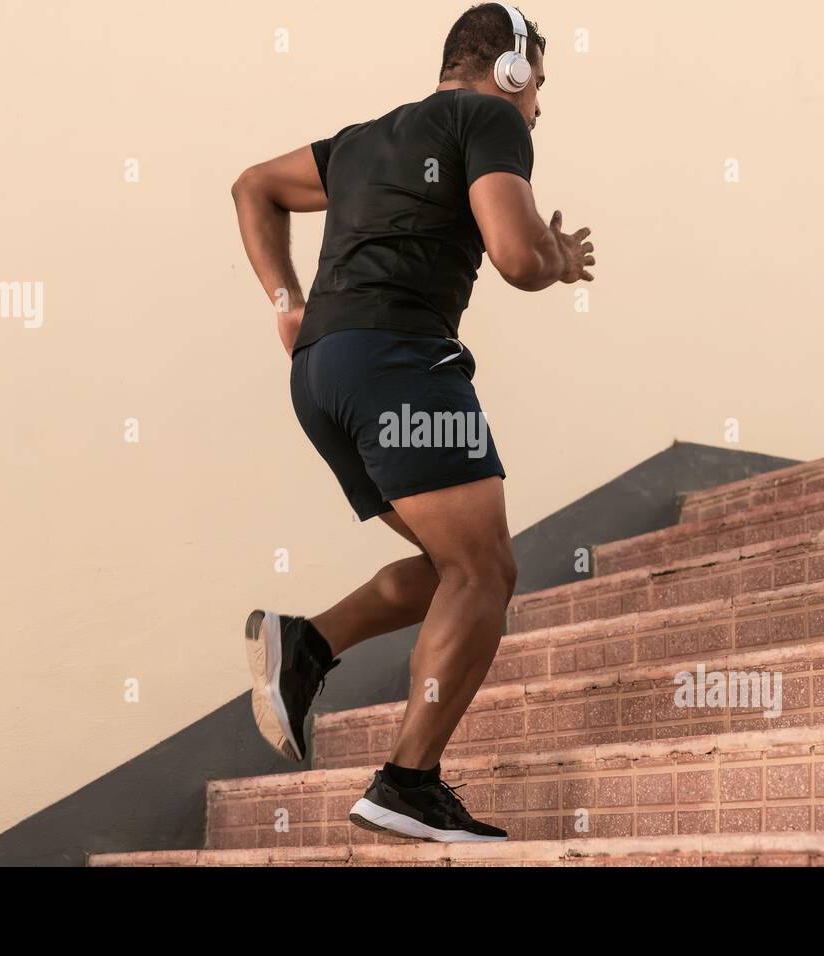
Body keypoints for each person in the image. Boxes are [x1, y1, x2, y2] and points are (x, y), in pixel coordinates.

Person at [231, 3, 594, 842]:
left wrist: (286, 301)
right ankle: (408, 780)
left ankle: (309, 646)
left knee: (455, 565)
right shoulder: (491, 121)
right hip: (399, 363)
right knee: (486, 575)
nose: (540, 102)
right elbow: (513, 257)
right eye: (539, 83)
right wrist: (556, 256)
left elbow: (253, 185)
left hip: (322, 374)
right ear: (511, 69)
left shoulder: (364, 140)